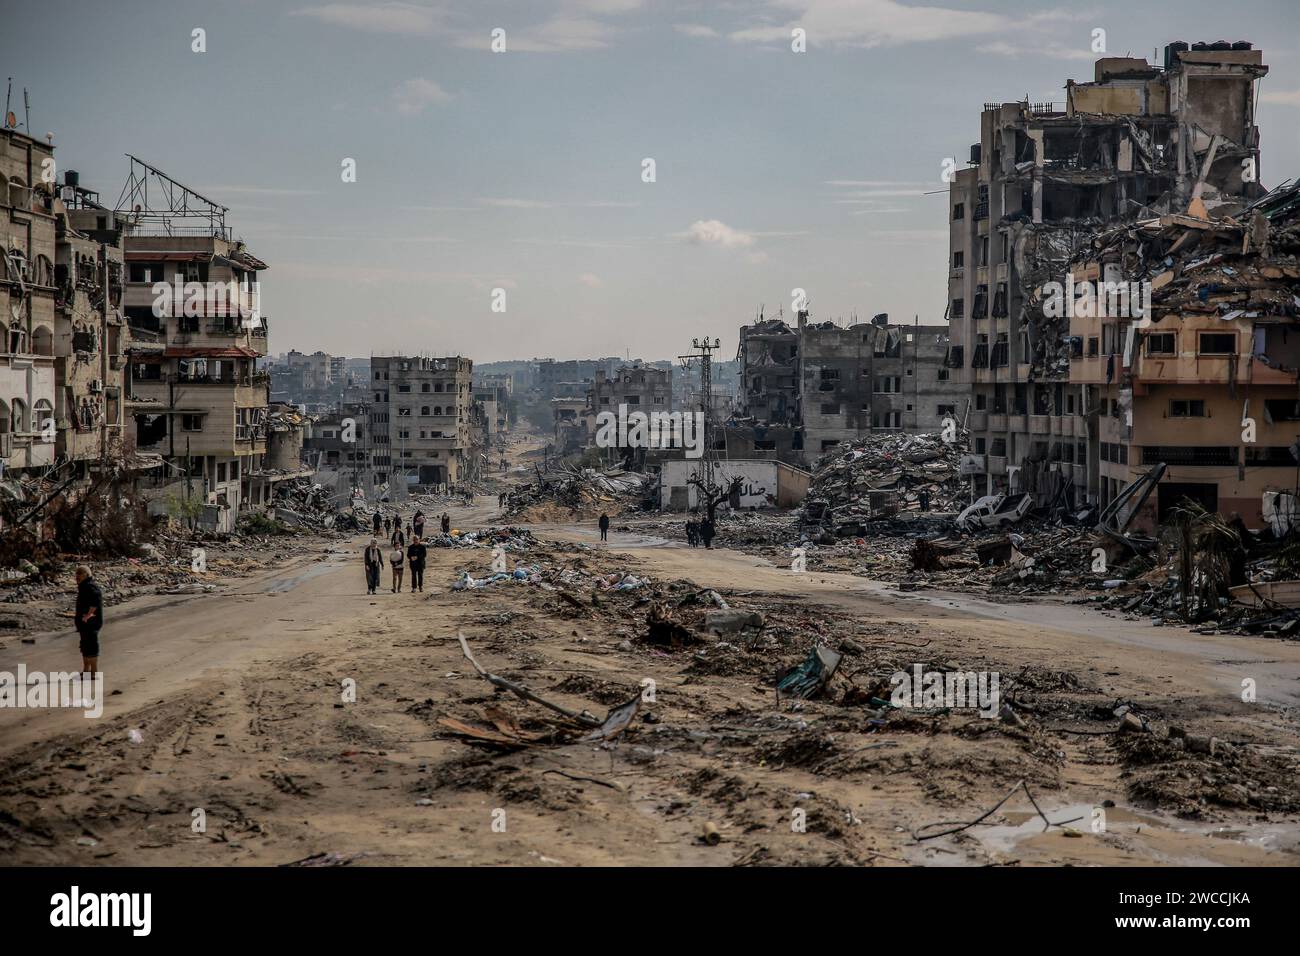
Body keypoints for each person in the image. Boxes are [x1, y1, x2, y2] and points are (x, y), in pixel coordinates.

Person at [74, 565, 103, 676]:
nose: (77, 577)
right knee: (84, 645)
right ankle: (86, 670)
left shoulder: (90, 586)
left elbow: (95, 601)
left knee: (91, 646)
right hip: (84, 624)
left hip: (91, 623)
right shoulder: (83, 586)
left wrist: (89, 615)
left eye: (80, 574)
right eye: (76, 574)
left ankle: (94, 671)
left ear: (86, 574)